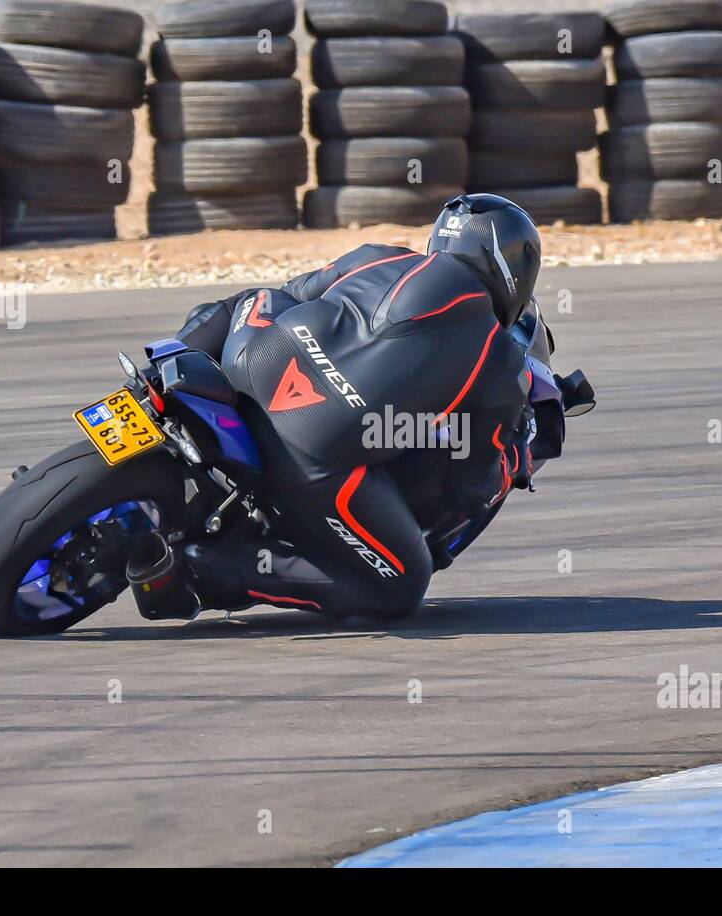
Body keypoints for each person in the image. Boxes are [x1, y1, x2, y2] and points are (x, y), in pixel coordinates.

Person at [174, 193, 542, 620]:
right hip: (314, 457)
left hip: (254, 364)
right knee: (402, 584)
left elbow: (292, 292)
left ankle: (166, 367)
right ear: (513, 272)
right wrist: (510, 465)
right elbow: (468, 484)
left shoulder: (379, 256)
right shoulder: (502, 361)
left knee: (256, 298)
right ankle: (226, 566)